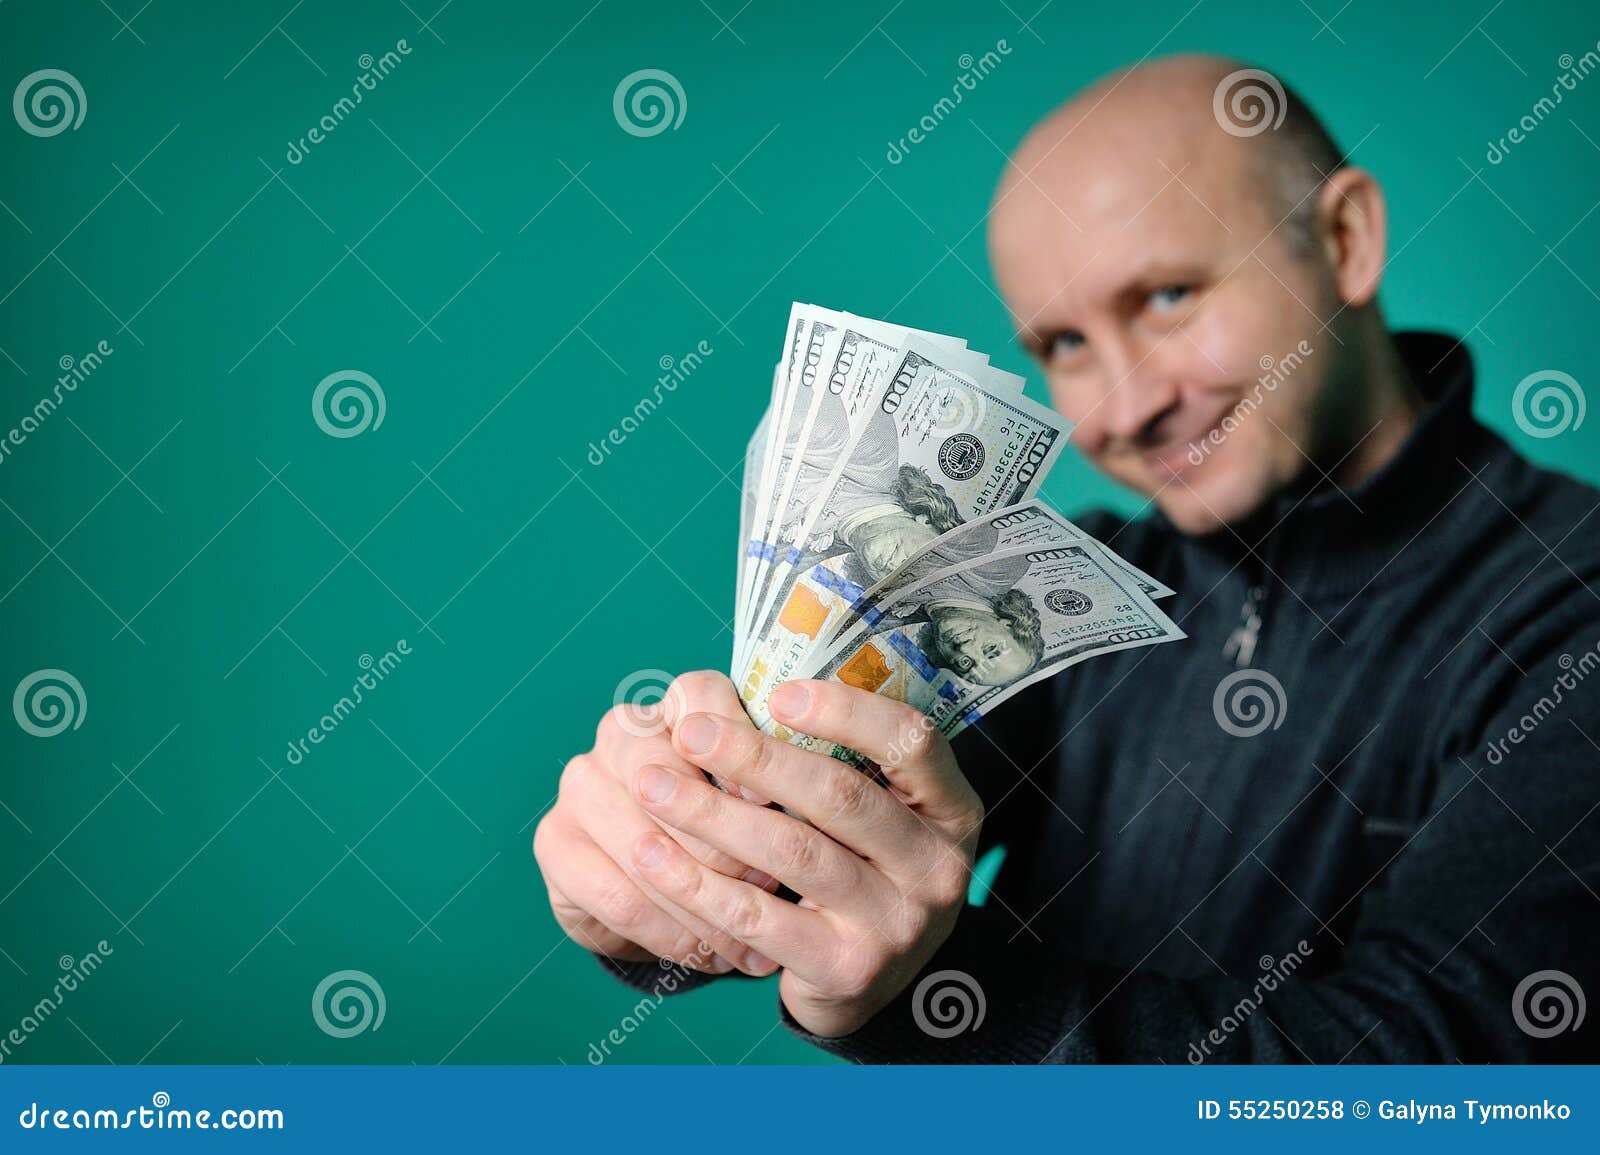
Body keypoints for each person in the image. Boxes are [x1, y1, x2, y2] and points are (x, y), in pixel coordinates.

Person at [532, 54, 1600, 1060]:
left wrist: (939, 994)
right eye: (1063, 346)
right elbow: (793, 859)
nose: (1126, 406)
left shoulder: (1573, 611)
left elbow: (1445, 1079)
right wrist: (649, 879)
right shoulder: (1067, 579)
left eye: (1169, 297)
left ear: (1347, 240)